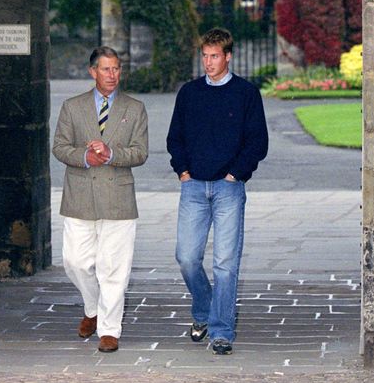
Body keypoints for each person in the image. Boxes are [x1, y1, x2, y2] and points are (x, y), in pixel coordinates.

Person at [166, 27, 268, 355]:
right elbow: (174, 137)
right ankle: (205, 309)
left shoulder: (246, 93)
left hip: (228, 189)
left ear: (228, 57)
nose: (208, 62)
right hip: (193, 186)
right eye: (204, 56)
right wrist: (182, 170)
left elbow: (258, 142)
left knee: (225, 263)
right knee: (186, 258)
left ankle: (220, 331)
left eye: (214, 56)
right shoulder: (189, 93)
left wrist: (235, 174)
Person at [52, 45, 148, 353]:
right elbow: (59, 147)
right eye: (106, 69)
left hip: (118, 199)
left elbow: (140, 152)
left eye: (117, 68)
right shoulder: (72, 107)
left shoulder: (135, 109)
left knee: (113, 269)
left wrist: (111, 155)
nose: (113, 75)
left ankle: (109, 330)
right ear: (93, 72)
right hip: (79, 197)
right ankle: (92, 308)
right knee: (75, 263)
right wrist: (84, 156)